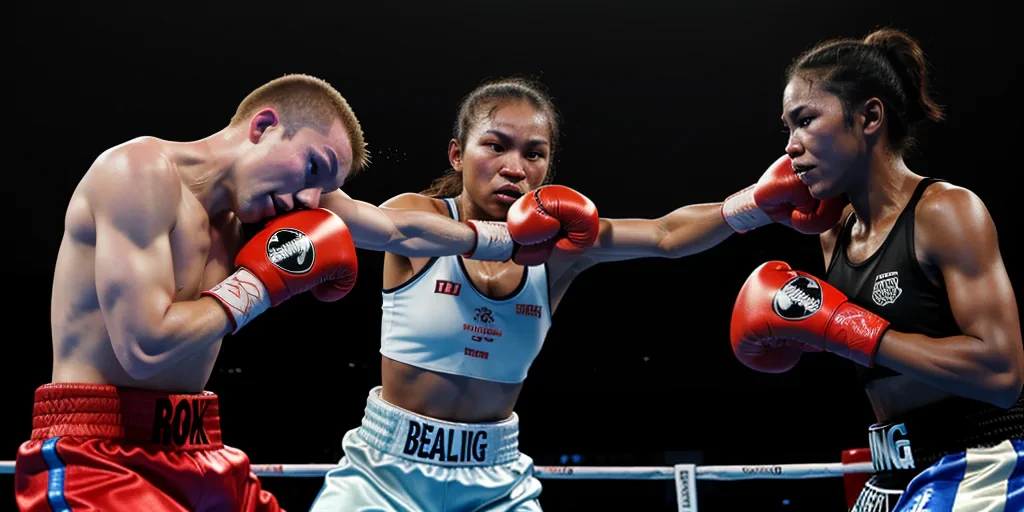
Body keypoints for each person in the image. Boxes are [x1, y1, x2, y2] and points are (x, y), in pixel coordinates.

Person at [13, 73, 586, 512]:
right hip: (97, 452)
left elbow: (397, 229)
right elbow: (144, 346)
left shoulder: (275, 201)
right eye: (312, 165)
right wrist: (259, 283)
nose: (310, 200)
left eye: (326, 186)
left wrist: (504, 238)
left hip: (198, 441)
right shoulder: (138, 172)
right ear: (263, 126)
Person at [308, 76, 846, 512]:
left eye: (534, 154)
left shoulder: (562, 248)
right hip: (384, 473)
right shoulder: (417, 216)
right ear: (457, 154)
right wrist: (301, 162)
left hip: (496, 480)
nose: (515, 168)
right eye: (495, 145)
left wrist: (757, 202)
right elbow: (369, 223)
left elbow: (665, 235)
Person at [728, 29, 1023, 512]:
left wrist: (850, 329)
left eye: (805, 120)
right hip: (891, 470)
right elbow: (873, 350)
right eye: (787, 127)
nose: (791, 146)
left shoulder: (945, 211)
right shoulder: (834, 232)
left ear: (869, 117)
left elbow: (1002, 371)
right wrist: (812, 334)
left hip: (977, 461)